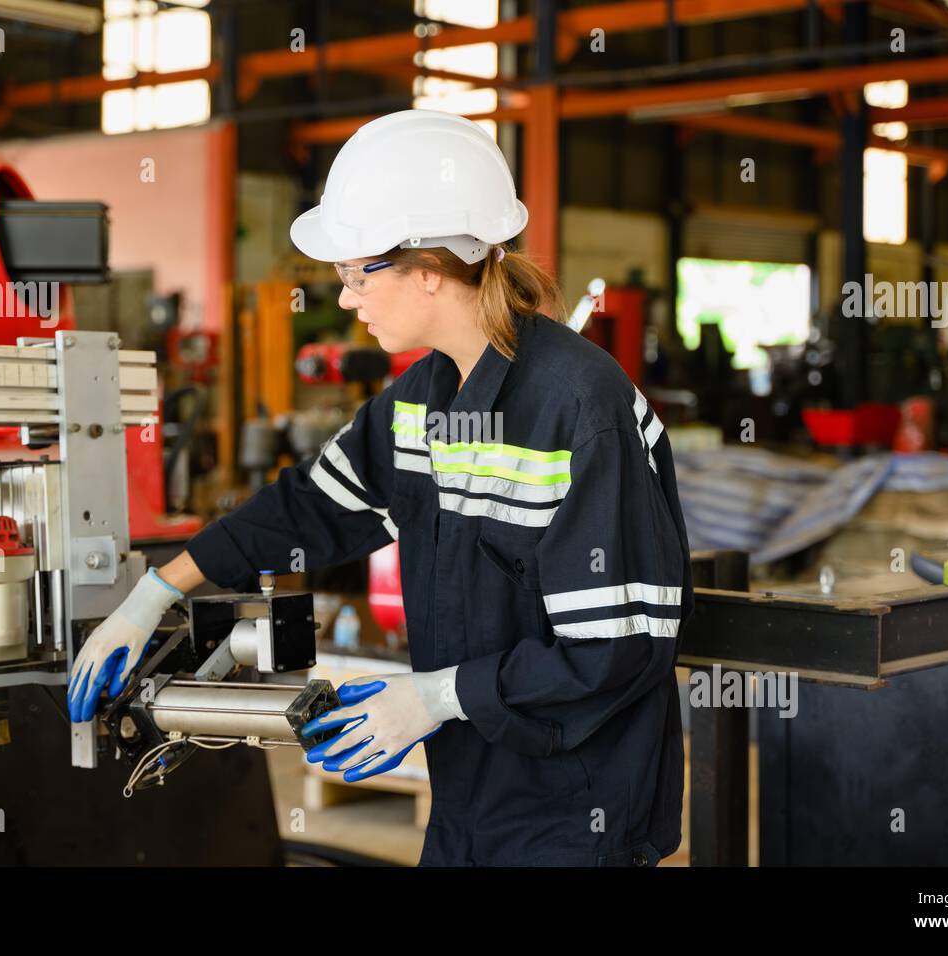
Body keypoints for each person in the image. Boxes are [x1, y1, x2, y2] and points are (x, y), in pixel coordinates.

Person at [67, 109, 693, 866]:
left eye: (355, 274)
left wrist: (436, 697)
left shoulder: (579, 409)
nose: (345, 298)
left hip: (574, 814)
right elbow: (310, 507)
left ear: (427, 271)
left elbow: (615, 650)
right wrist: (157, 593)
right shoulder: (423, 400)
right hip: (468, 803)